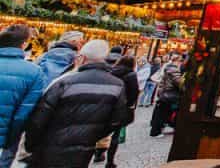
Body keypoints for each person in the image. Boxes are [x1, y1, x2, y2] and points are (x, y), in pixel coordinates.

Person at [24, 39, 128, 168]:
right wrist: (93, 135)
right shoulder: (117, 85)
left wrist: (31, 144)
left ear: (82, 58)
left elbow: (40, 117)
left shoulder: (65, 81)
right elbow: (117, 120)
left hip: (50, 145)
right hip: (83, 149)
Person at [0, 25, 44, 168]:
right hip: (6, 137)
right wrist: (12, 139)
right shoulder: (34, 72)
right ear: (24, 44)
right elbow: (23, 115)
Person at [99, 56, 138, 168]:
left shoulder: (111, 71)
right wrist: (130, 105)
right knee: (115, 135)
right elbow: (133, 93)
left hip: (108, 104)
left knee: (101, 130)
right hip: (121, 107)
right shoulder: (131, 75)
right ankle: (110, 161)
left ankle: (98, 152)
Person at [150, 56, 183, 137]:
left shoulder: (168, 68)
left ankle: (157, 129)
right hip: (169, 95)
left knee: (161, 113)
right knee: (163, 114)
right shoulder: (174, 70)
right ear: (178, 61)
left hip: (164, 94)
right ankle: (156, 131)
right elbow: (179, 83)